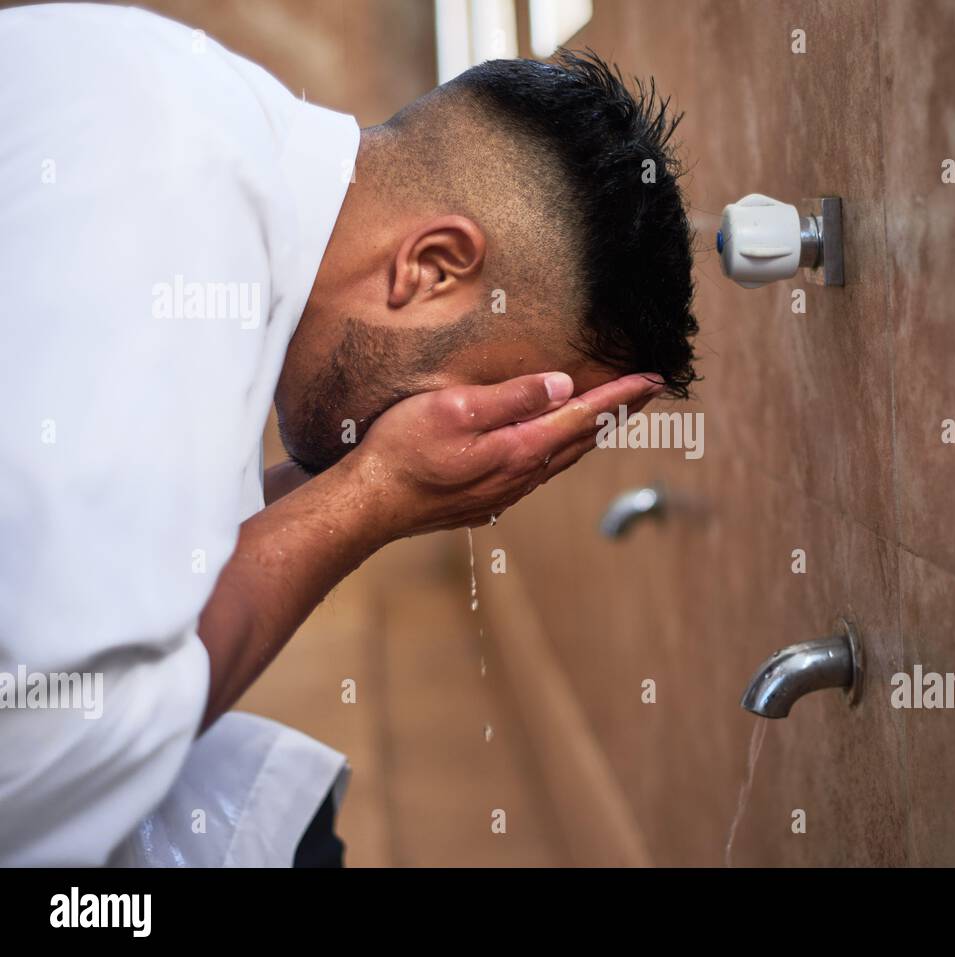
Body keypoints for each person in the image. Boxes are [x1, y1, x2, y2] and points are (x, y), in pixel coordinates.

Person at [0, 3, 697, 865]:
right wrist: (375, 496)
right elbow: (43, 747)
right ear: (431, 267)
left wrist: (363, 484)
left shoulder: (201, 141)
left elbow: (143, 572)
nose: (476, 438)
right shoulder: (167, 204)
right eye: (492, 401)